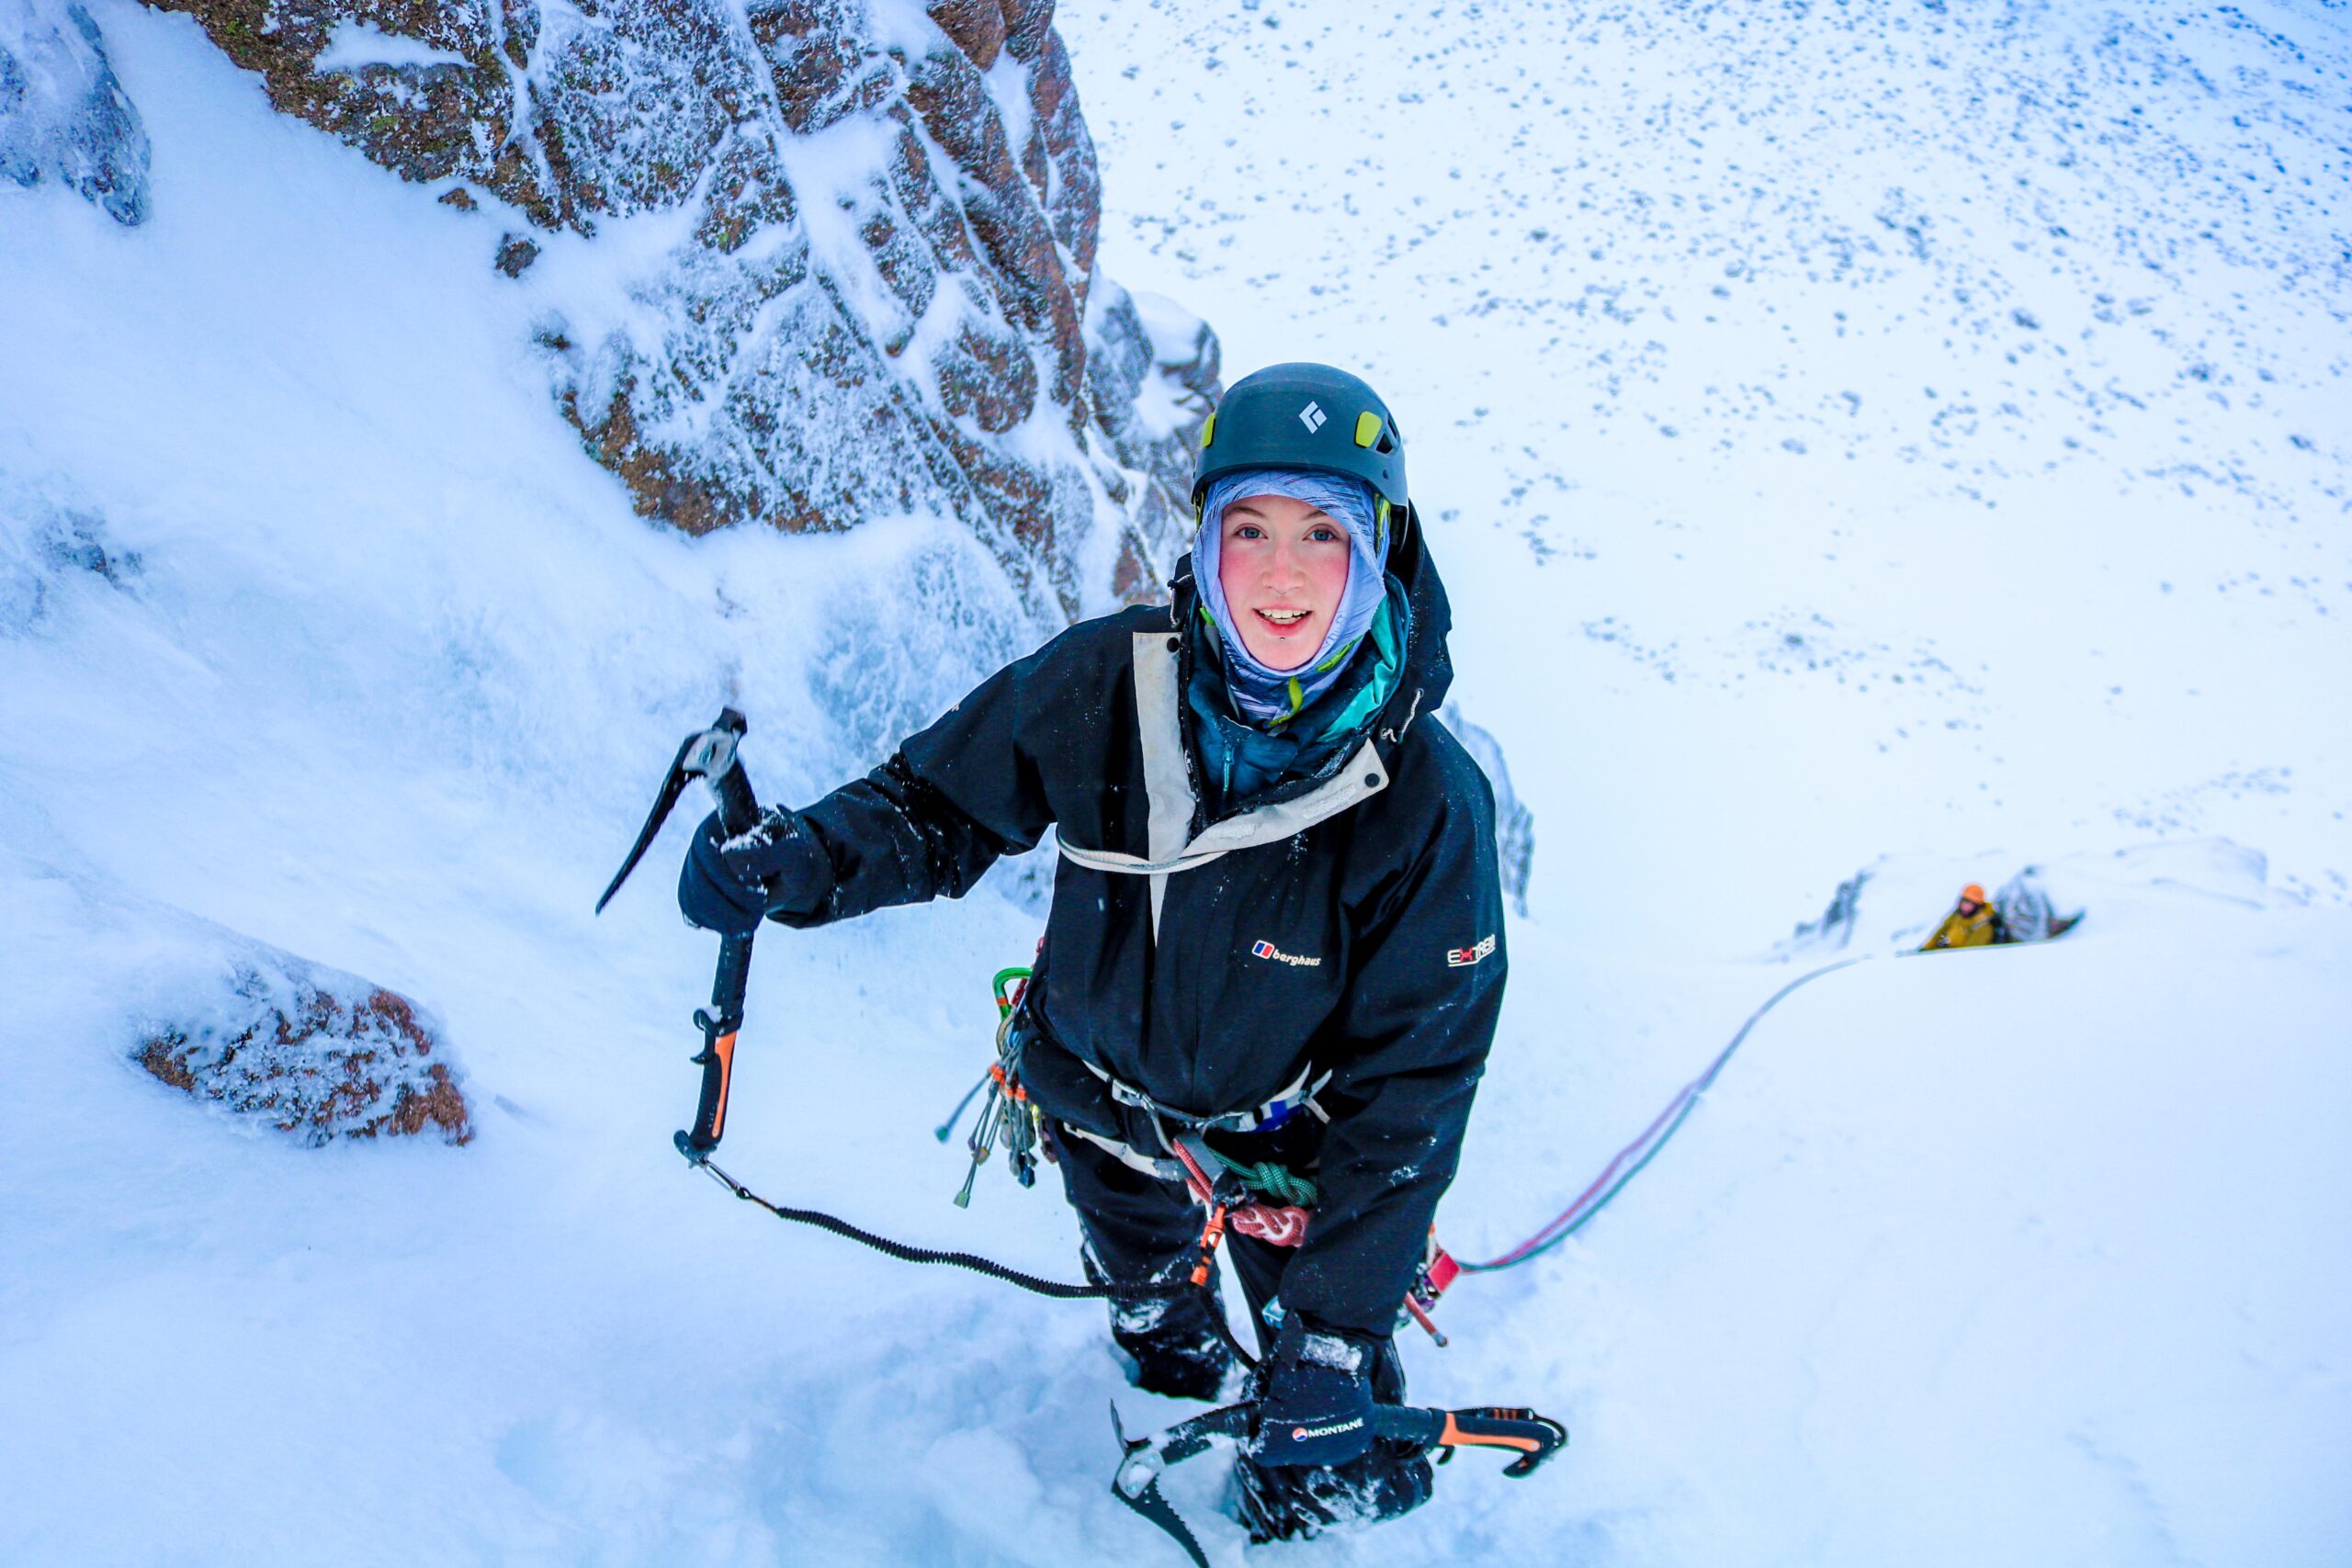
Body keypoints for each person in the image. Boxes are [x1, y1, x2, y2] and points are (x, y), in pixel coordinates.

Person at [678, 362, 1508, 1541]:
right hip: (1093, 1094)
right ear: (1206, 542)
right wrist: (804, 859)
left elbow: (1412, 1088)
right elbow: (937, 807)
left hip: (1290, 1157)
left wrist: (1333, 1334)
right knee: (1153, 1310)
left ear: (1379, 550)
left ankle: (1293, 1494)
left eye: (1322, 533)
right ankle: (1169, 1371)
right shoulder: (1111, 682)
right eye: (1250, 529)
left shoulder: (1424, 804)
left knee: (1328, 1436)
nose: (1280, 573)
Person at [1919, 883, 2011, 952]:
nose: (1965, 906)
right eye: (1964, 902)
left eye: (1970, 903)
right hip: (1947, 955)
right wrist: (1927, 948)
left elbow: (1969, 952)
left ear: (1977, 906)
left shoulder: (1984, 925)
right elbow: (1941, 931)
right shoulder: (1957, 915)